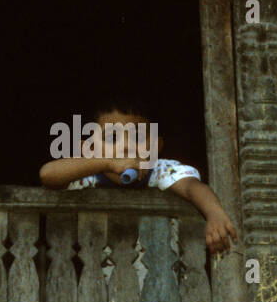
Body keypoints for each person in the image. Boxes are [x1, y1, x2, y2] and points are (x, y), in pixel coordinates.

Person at [39, 94, 239, 253]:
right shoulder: (85, 178)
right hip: (98, 292)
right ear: (88, 148)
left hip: (163, 291)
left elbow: (192, 188)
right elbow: (47, 175)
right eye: (112, 137)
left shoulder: (160, 170)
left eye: (138, 137)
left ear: (155, 146)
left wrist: (214, 213)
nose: (126, 146)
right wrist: (107, 162)